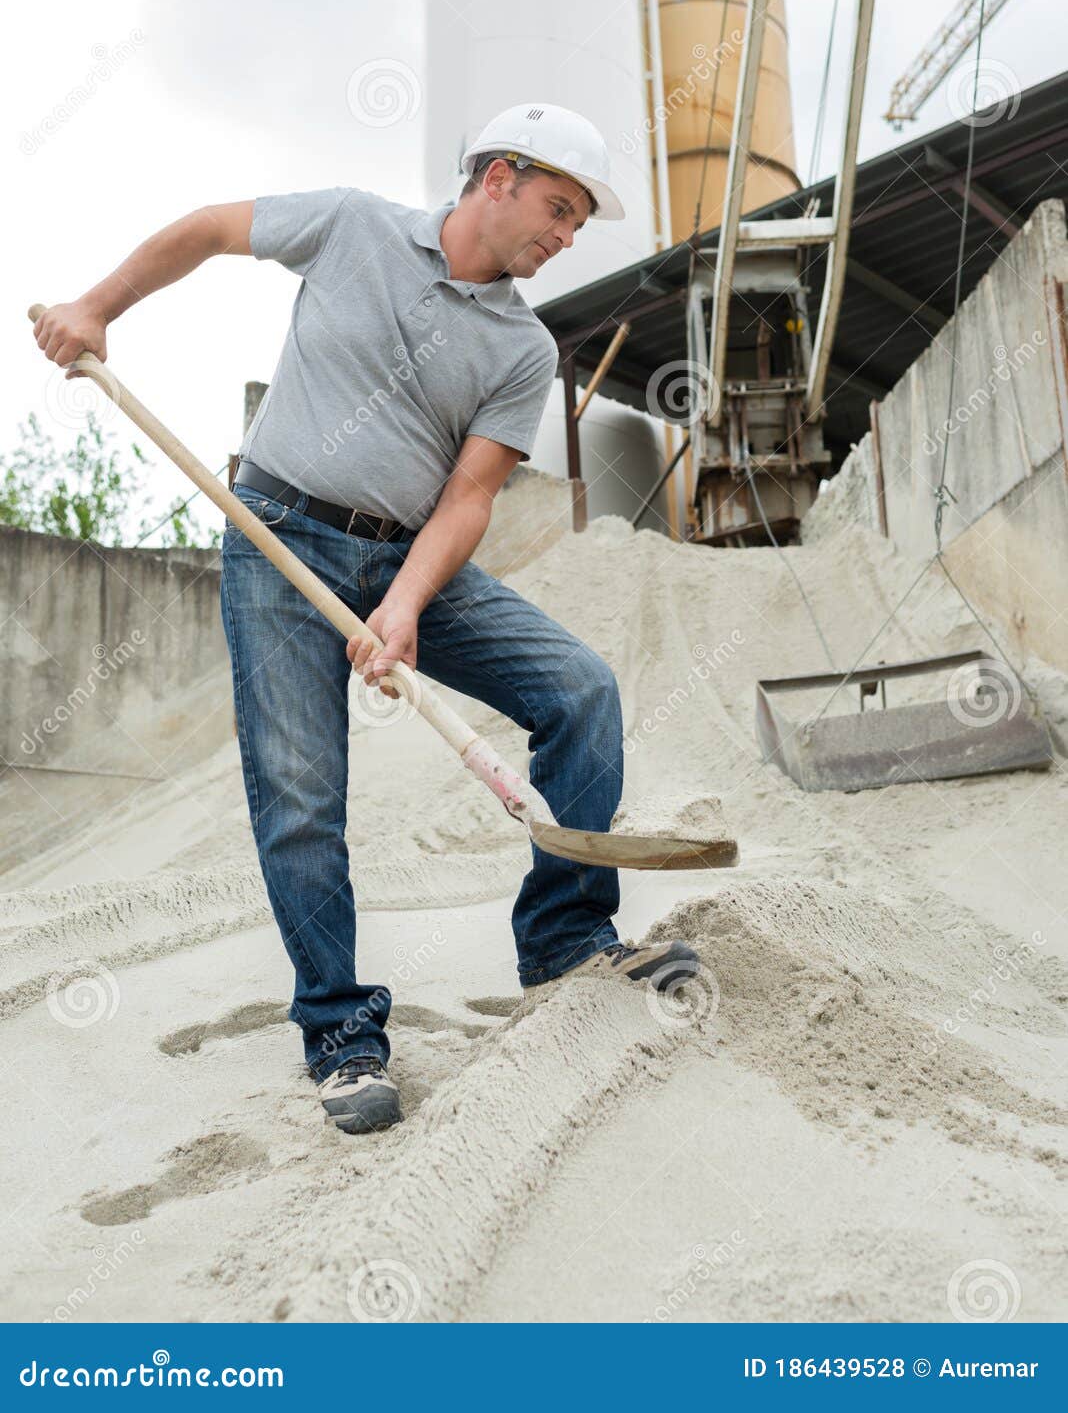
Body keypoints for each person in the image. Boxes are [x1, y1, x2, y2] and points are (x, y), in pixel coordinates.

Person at [34, 102, 700, 1136]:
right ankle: (341, 1033)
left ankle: (566, 938)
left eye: (578, 223)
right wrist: (95, 305)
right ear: (497, 178)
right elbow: (211, 228)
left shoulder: (522, 347)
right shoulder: (349, 224)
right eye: (559, 208)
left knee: (581, 690)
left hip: (407, 553)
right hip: (277, 536)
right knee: (301, 798)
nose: (565, 237)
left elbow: (470, 496)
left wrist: (402, 605)